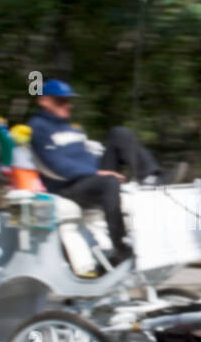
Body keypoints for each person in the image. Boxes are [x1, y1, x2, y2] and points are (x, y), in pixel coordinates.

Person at [27, 79, 160, 267]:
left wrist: (100, 169)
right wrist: (98, 173)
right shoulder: (38, 127)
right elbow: (57, 165)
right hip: (67, 186)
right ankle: (119, 245)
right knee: (109, 183)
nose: (67, 105)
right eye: (60, 101)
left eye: (68, 101)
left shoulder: (71, 127)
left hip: (91, 176)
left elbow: (86, 155)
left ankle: (151, 178)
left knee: (119, 133)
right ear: (43, 101)